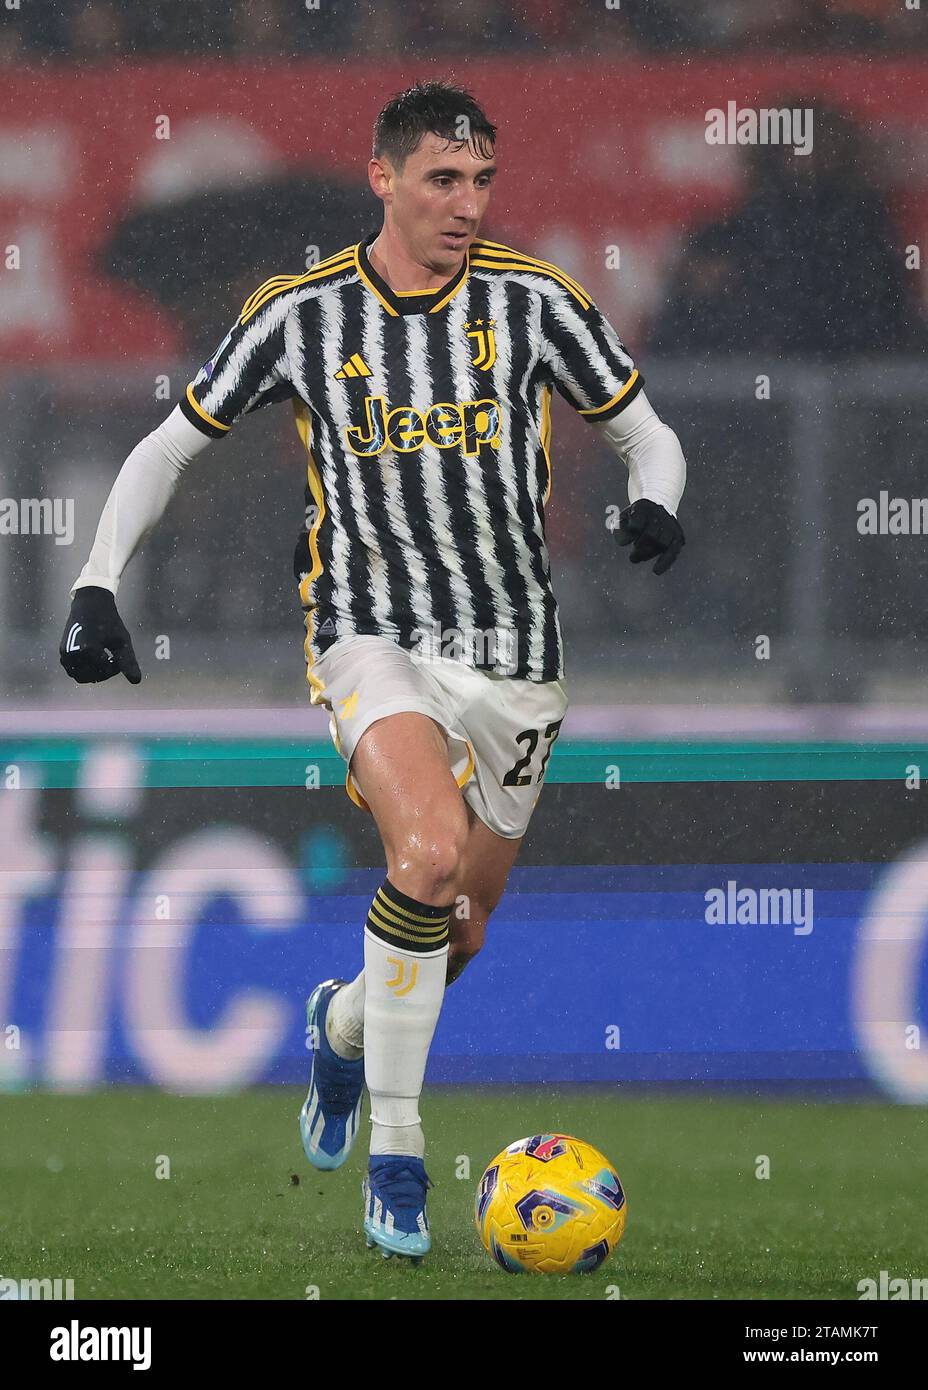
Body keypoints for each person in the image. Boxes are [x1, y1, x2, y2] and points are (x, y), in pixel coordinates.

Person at [59, 80, 687, 1262]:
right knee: (427, 857)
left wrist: (656, 502)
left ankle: (343, 1028)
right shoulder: (300, 316)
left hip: (515, 653)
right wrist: (97, 580)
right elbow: (168, 444)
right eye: (442, 180)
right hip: (368, 629)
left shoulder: (535, 299)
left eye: (481, 181)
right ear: (383, 178)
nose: (466, 203)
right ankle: (396, 1153)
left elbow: (647, 431)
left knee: (461, 926)